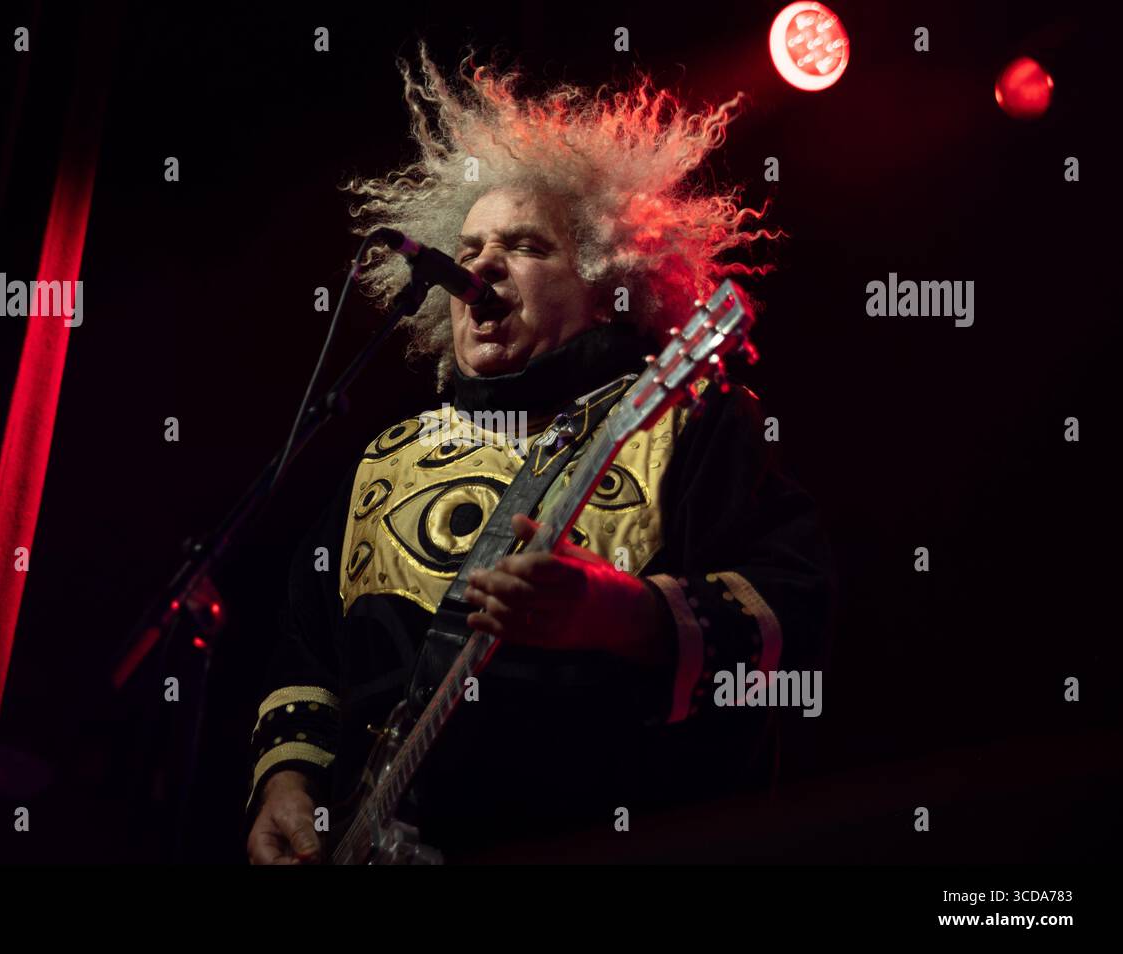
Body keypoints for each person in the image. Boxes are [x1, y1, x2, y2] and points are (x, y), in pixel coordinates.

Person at [245, 43, 835, 864]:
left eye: (525, 246)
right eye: (472, 247)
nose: (478, 266)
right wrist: (287, 788)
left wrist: (624, 613)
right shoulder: (383, 460)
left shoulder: (690, 422)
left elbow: (796, 616)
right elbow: (305, 649)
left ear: (607, 283)